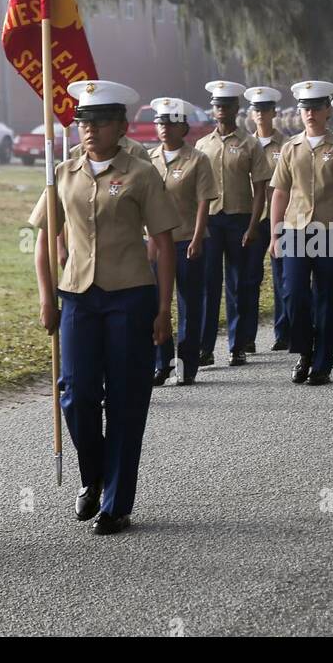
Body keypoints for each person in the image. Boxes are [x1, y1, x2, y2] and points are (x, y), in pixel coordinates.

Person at [31, 80, 178, 535]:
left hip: (130, 296)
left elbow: (165, 243)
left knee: (126, 399)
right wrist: (45, 296)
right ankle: (92, 475)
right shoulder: (64, 172)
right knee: (75, 393)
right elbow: (42, 236)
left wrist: (163, 308)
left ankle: (116, 503)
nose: (88, 130)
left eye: (99, 122)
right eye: (82, 122)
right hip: (77, 297)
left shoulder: (141, 173)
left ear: (121, 126)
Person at [268, 80, 333, 385]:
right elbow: (280, 193)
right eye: (305, 108)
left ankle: (322, 361)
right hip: (296, 229)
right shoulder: (290, 148)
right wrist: (274, 234)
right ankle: (304, 351)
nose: (309, 113)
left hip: (331, 230)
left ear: (327, 110)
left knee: (329, 295)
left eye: (315, 108)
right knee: (293, 292)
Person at [195, 80, 272, 367]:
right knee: (209, 285)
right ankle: (205, 347)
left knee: (239, 284)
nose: (221, 110)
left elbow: (261, 189)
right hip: (211, 222)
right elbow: (197, 191)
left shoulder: (250, 144)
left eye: (226, 105)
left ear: (236, 108)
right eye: (217, 106)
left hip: (241, 220)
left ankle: (237, 345)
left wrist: (254, 226)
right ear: (213, 110)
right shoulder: (202, 145)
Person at [148, 97, 216, 386]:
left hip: (187, 238)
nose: (164, 128)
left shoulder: (197, 159)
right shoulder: (148, 159)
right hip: (156, 243)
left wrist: (198, 236)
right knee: (155, 304)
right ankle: (161, 362)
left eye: (171, 123)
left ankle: (187, 363)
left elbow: (204, 202)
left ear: (183, 127)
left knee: (190, 303)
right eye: (160, 122)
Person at [244, 86, 288, 350]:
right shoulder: (245, 144)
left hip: (279, 217)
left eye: (264, 109)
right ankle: (246, 338)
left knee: (283, 276)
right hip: (250, 218)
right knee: (249, 278)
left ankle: (284, 332)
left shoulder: (287, 145)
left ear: (273, 112)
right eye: (255, 109)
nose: (260, 114)